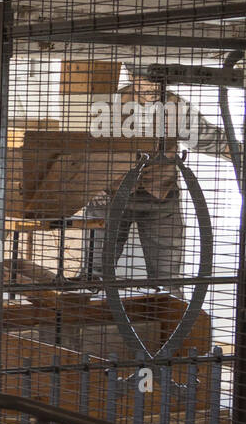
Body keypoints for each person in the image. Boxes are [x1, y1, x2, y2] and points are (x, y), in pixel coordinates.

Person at [83, 73, 230, 294]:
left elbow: (211, 140)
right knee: (93, 276)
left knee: (168, 281)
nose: (154, 86)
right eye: (147, 79)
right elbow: (85, 150)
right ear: (132, 76)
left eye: (159, 80)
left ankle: (170, 324)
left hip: (161, 199)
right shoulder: (109, 106)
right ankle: (87, 320)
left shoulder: (176, 107)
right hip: (111, 198)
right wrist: (90, 187)